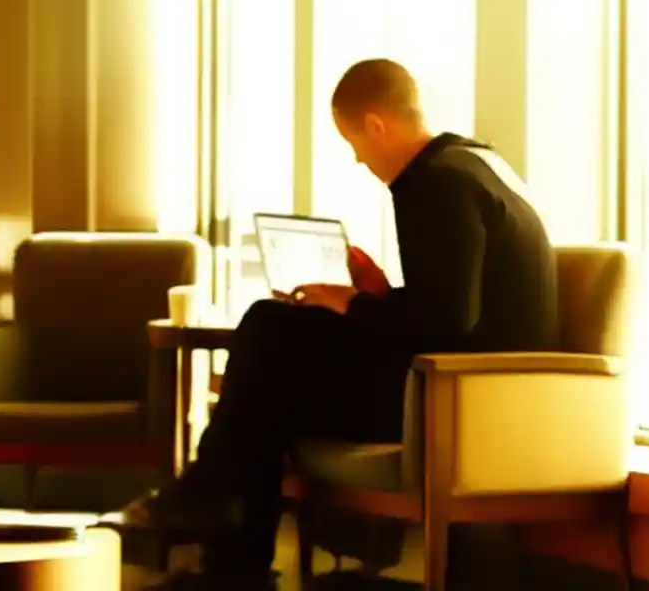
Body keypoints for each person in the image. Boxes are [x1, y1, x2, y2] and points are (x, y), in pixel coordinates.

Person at [123, 58, 558, 586]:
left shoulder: (432, 184)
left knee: (267, 345)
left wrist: (351, 303)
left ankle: (223, 542)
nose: (358, 159)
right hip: (499, 393)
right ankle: (223, 539)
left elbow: (447, 322)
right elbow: (459, 308)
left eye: (354, 142)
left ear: (376, 124)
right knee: (271, 353)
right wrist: (375, 293)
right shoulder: (477, 164)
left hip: (456, 398)